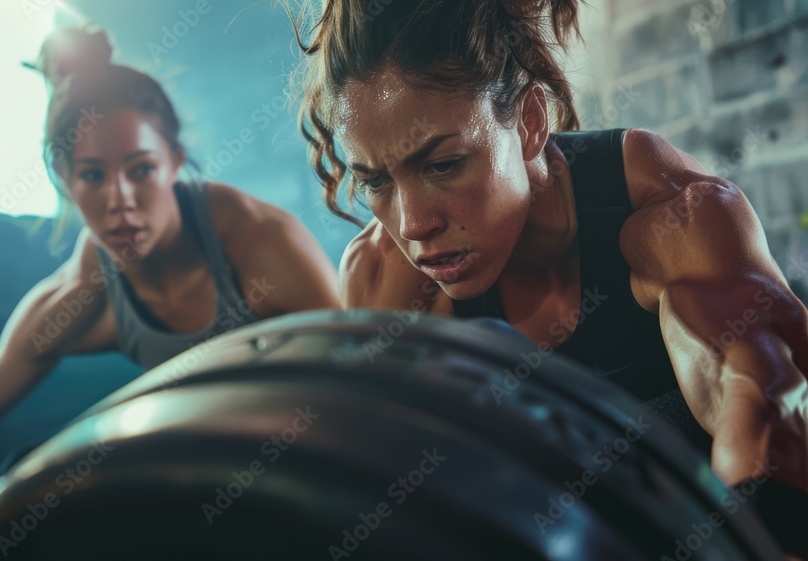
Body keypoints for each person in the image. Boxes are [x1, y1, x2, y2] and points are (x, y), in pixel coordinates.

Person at [292, 0, 808, 493]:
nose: (412, 225)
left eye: (443, 165)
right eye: (376, 182)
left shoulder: (670, 212)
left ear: (530, 122)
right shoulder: (382, 281)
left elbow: (757, 392)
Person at [0, 27, 339, 439]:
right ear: (63, 177)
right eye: (92, 175)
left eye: (141, 169)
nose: (120, 199)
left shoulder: (259, 240)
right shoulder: (85, 292)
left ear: (175, 161)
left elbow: (368, 373)